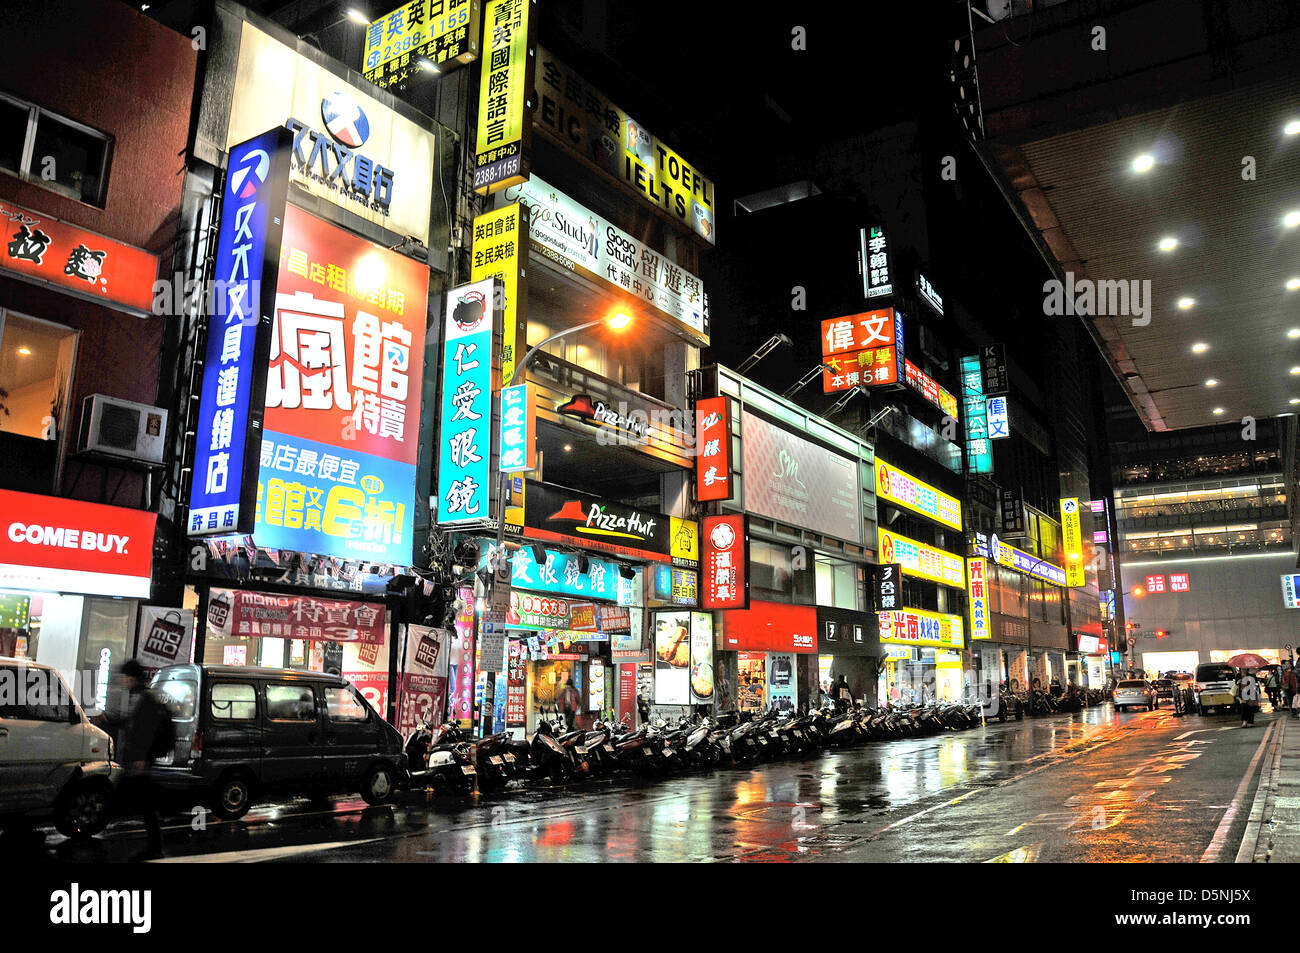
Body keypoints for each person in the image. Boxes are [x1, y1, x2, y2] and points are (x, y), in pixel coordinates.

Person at [117, 659, 170, 861]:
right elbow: (132, 723)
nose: (122, 680)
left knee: (145, 805)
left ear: (131, 677)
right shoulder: (138, 696)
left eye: (124, 676)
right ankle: (153, 847)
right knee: (145, 805)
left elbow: (146, 730)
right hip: (138, 760)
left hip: (141, 762)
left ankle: (154, 848)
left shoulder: (144, 698)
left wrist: (142, 758)